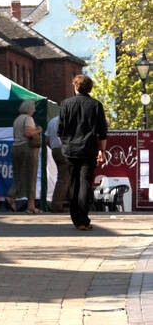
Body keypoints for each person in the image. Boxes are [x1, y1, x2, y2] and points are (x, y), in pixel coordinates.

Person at [58, 74, 108, 231]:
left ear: (75, 87)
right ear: (90, 88)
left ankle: (76, 219)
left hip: (70, 150)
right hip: (88, 149)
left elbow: (60, 131)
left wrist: (65, 146)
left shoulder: (65, 104)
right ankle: (83, 219)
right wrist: (103, 150)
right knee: (85, 182)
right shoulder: (96, 105)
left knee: (74, 183)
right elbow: (102, 132)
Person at [5, 100, 43, 213]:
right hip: (27, 149)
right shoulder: (28, 119)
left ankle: (11, 196)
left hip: (16, 148)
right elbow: (28, 133)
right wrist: (38, 130)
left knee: (18, 175)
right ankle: (30, 205)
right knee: (31, 176)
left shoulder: (17, 119)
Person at [46, 113, 70, 212]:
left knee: (64, 177)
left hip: (55, 150)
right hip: (65, 150)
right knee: (64, 179)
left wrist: (53, 147)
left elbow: (46, 139)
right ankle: (57, 205)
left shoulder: (52, 121)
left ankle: (61, 202)